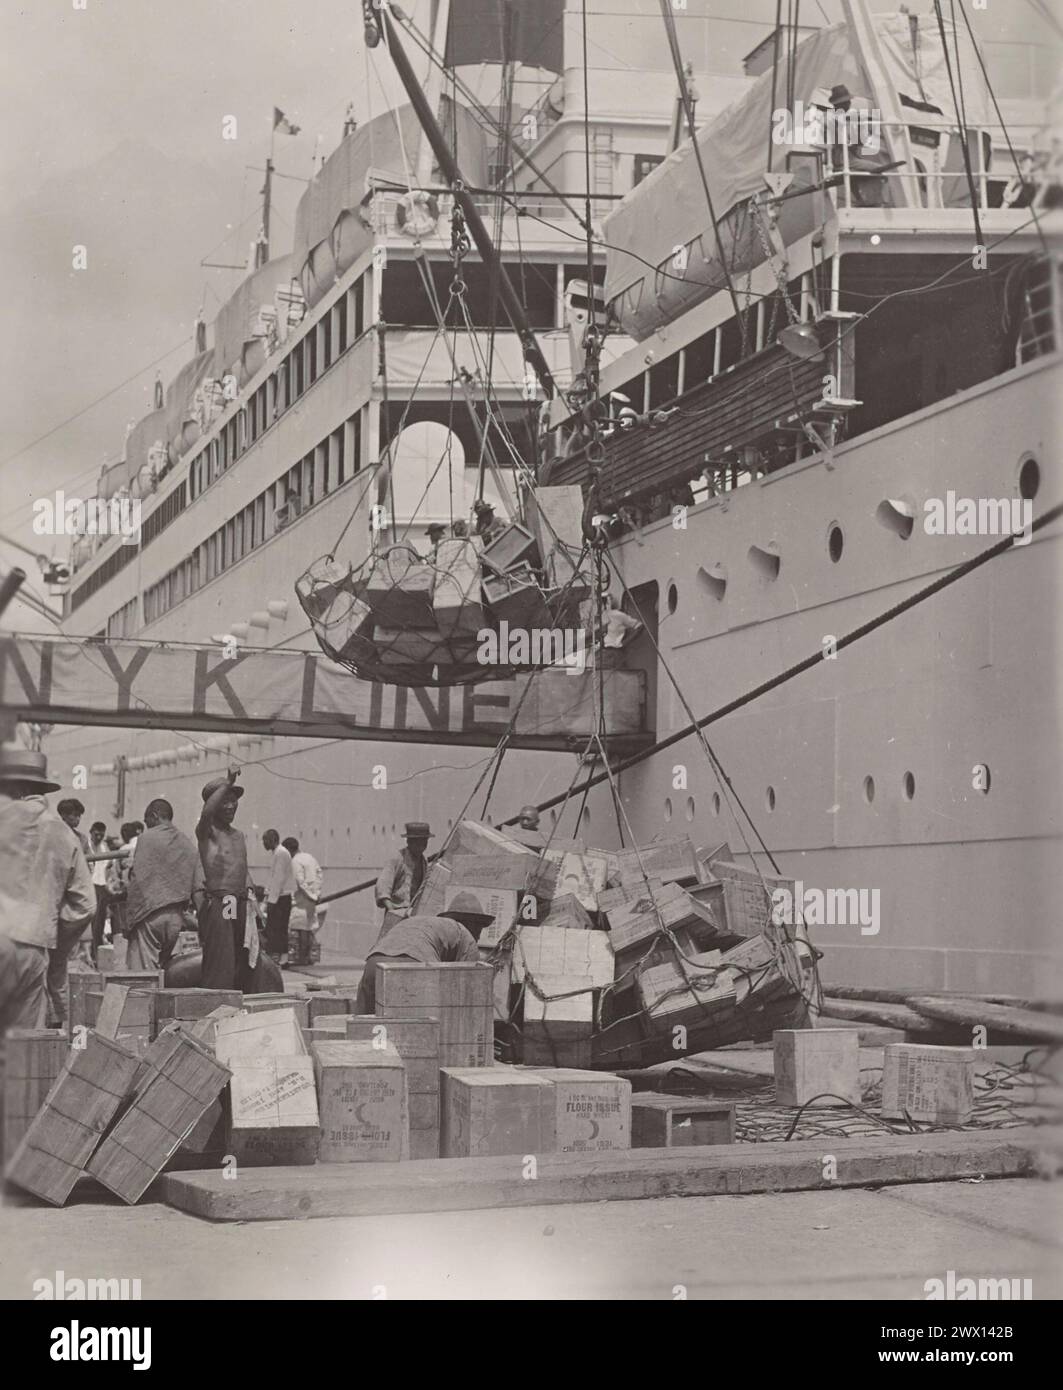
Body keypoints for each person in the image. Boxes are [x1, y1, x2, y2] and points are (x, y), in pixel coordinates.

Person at [0, 748, 94, 1034]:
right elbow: (85, 905)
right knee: (24, 1045)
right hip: (34, 949)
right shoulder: (63, 833)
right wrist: (56, 940)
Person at [125, 799, 204, 973]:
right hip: (175, 920)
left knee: (143, 977)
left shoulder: (146, 838)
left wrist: (129, 920)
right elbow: (198, 885)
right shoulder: (186, 842)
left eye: (147, 822)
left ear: (154, 816)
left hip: (150, 916)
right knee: (163, 970)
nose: (147, 826)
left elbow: (137, 880)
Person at [196, 770, 255, 990]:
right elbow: (206, 813)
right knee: (222, 958)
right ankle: (215, 1002)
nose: (230, 806)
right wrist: (229, 781)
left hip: (240, 901)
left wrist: (251, 897)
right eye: (224, 801)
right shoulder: (207, 832)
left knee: (244, 957)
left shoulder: (238, 835)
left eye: (233, 801)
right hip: (224, 901)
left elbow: (241, 868)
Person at [354, 914, 479, 1014]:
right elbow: (466, 990)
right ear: (474, 925)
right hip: (413, 964)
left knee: (364, 1026)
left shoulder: (421, 921)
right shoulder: (467, 938)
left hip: (374, 961)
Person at [375, 821, 432, 932]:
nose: (421, 847)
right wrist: (392, 911)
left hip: (414, 914)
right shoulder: (396, 859)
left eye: (424, 842)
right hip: (397, 911)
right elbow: (382, 887)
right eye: (418, 843)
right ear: (409, 841)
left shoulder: (424, 861)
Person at [283, 836, 325, 967]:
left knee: (300, 929)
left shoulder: (295, 861)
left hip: (302, 899)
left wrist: (311, 895)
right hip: (312, 897)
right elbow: (319, 874)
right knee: (308, 929)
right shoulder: (310, 857)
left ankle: (301, 959)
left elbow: (300, 882)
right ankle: (306, 958)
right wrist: (317, 892)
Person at [262, 828, 296, 965]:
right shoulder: (278, 853)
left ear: (272, 840)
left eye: (265, 840)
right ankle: (279, 956)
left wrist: (271, 901)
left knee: (277, 928)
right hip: (278, 896)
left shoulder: (281, 853)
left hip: (280, 898)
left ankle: (281, 957)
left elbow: (278, 878)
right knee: (276, 928)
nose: (263, 843)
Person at [87, 821, 111, 964]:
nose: (99, 837)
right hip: (90, 886)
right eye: (96, 834)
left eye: (101, 835)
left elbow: (109, 866)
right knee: (89, 923)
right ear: (91, 832)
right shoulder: (87, 845)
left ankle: (96, 954)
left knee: (99, 924)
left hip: (102, 887)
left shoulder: (104, 847)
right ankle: (89, 954)